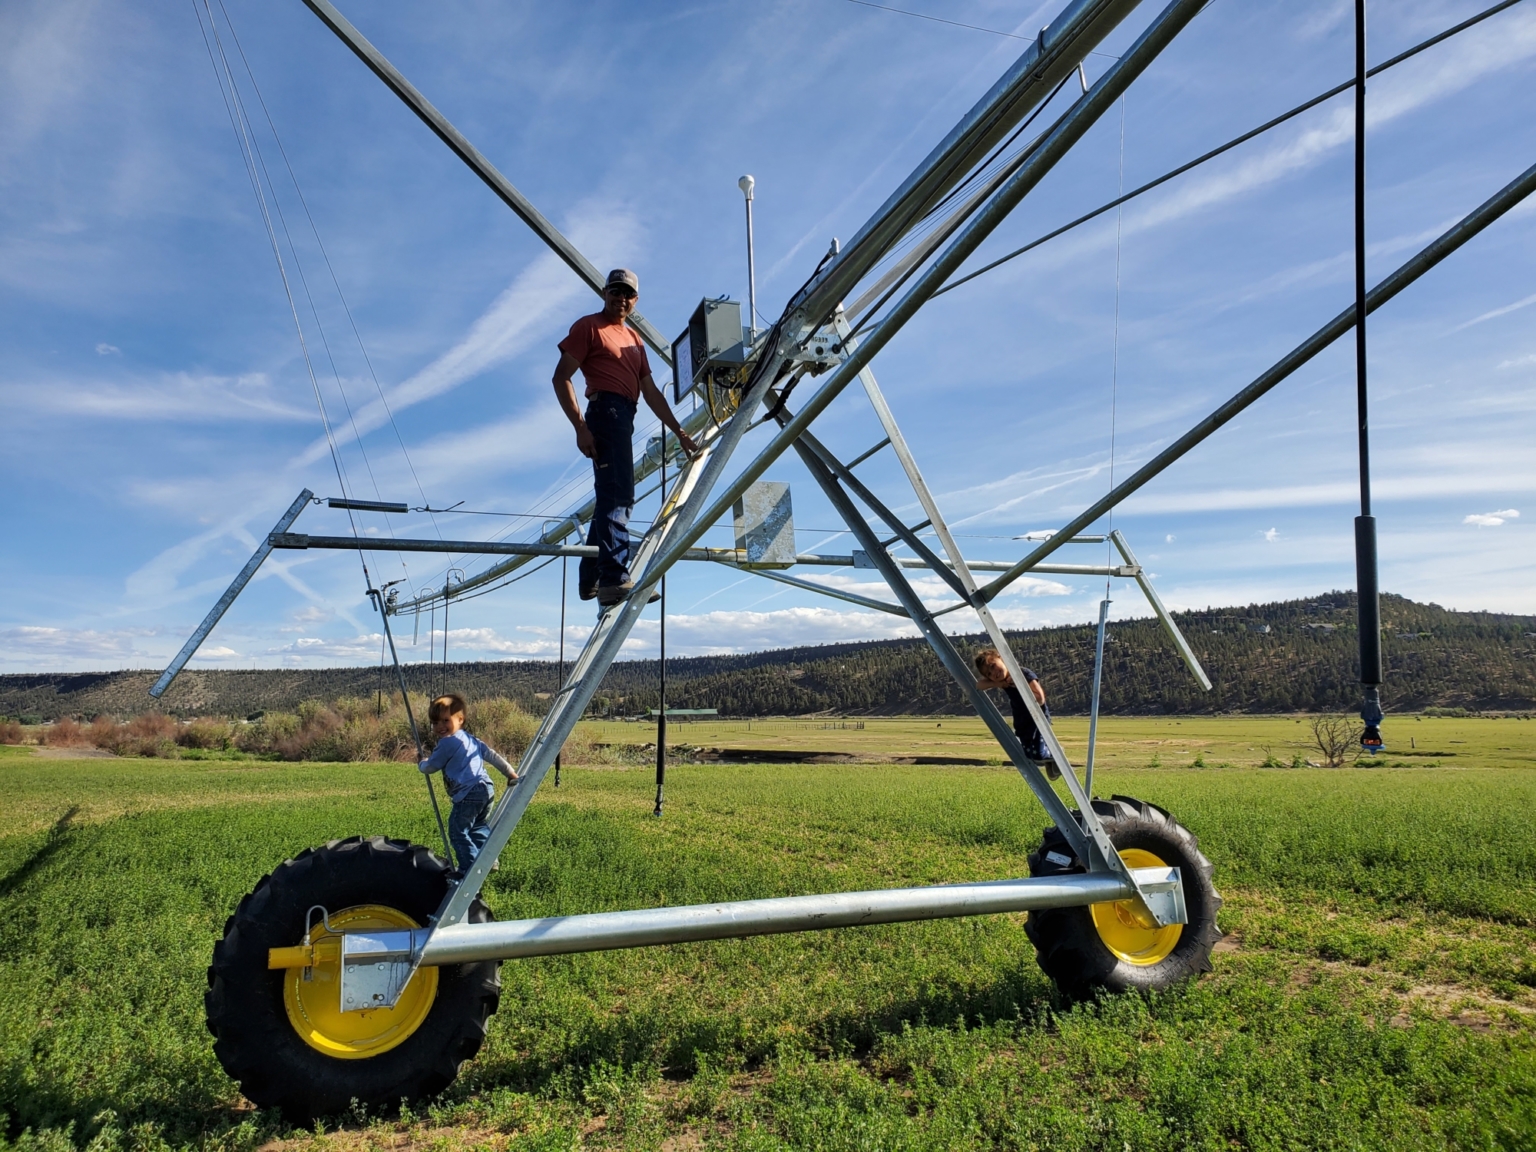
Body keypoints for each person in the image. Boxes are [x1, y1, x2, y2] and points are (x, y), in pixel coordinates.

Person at [553, 268, 699, 606]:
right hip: (605, 411)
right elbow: (561, 377)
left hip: (625, 414)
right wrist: (580, 427)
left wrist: (678, 430)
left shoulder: (634, 339)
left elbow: (650, 391)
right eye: (615, 291)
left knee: (611, 494)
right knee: (619, 495)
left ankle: (591, 578)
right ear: (604, 293)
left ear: (635, 300)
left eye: (628, 294)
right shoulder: (589, 326)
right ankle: (614, 578)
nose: (621, 298)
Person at [418, 693, 518, 875]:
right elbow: (492, 755)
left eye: (445, 720)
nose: (440, 726)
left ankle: (469, 868)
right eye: (435, 723)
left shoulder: (448, 742)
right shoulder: (471, 739)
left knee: (457, 831)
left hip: (468, 793)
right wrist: (509, 772)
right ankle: (489, 860)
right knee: (478, 826)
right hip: (486, 789)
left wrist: (421, 763)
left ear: (460, 719)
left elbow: (431, 766)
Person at [974, 647, 1060, 779]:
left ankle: (1056, 755)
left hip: (1037, 720)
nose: (994, 673)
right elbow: (979, 685)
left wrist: (1020, 685)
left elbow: (1040, 699)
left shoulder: (1024, 674)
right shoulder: (1002, 682)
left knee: (1038, 753)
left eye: (993, 666)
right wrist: (998, 684)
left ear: (1002, 659)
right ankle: (1050, 760)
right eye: (989, 674)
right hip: (1021, 721)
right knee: (1028, 753)